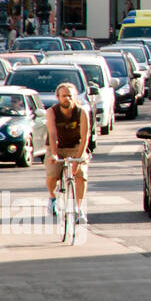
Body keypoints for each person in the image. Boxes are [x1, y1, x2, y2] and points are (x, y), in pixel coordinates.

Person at [45, 82, 91, 225]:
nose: (67, 99)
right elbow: (52, 134)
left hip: (76, 146)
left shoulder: (81, 112)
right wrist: (53, 154)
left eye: (70, 96)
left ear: (75, 97)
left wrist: (78, 159)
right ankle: (52, 198)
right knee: (52, 174)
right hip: (57, 146)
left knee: (80, 175)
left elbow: (85, 136)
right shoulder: (52, 112)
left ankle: (79, 208)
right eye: (64, 96)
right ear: (58, 97)